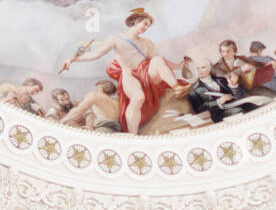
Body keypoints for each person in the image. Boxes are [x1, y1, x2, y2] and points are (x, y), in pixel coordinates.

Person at [59, 8, 189, 135]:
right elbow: (96, 54)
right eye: (145, 24)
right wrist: (74, 59)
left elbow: (160, 63)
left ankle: (177, 87)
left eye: (148, 26)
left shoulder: (147, 43)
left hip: (146, 74)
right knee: (138, 98)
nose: (145, 28)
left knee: (158, 58)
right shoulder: (116, 39)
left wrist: (178, 66)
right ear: (136, 21)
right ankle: (132, 135)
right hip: (129, 75)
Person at [187, 60, 257, 123]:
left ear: (209, 69)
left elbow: (240, 96)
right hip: (218, 113)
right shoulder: (194, 89)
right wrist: (219, 102)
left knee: (252, 105)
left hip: (234, 104)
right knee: (238, 111)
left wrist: (234, 86)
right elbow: (199, 109)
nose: (200, 70)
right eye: (197, 68)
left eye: (203, 67)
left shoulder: (221, 80)